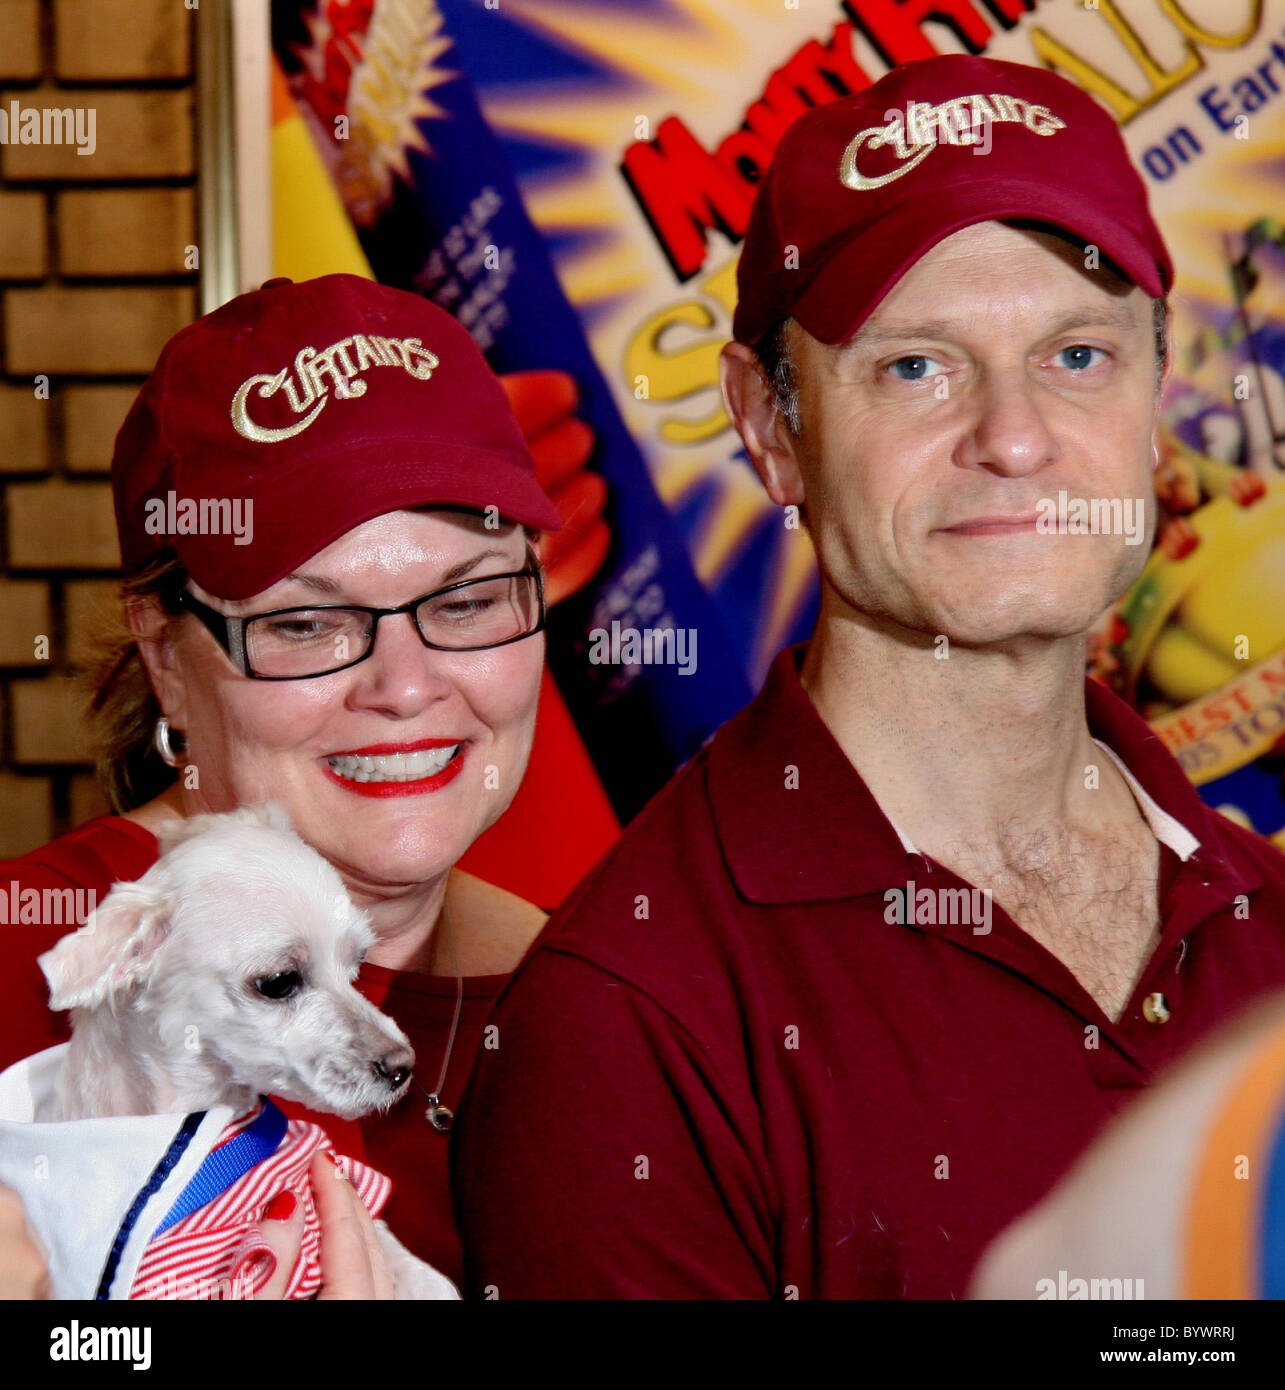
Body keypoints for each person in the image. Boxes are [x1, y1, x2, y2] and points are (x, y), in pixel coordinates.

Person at [451, 54, 1285, 1298]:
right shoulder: (625, 1032)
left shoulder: (1255, 899)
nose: (1013, 437)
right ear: (772, 425)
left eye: (1076, 355)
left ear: (1156, 388)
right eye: (915, 366)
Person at [0, 272, 572, 1296]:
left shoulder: (618, 1004)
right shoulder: (22, 973)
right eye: (305, 622)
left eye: (470, 597)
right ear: (165, 656)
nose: (405, 686)